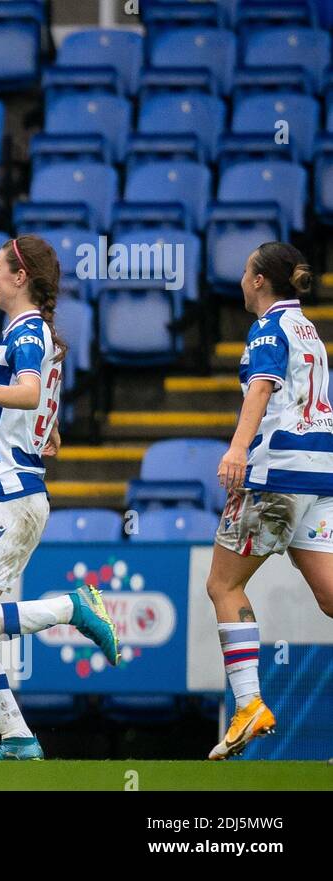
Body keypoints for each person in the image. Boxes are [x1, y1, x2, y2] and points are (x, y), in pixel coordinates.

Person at [0, 234, 119, 761]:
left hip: (8, 498)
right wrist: (46, 429)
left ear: (21, 278)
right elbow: (45, 412)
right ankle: (17, 737)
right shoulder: (30, 332)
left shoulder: (28, 332)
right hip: (9, 496)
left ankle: (74, 605)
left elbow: (32, 390)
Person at [206, 242, 333, 759]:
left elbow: (260, 388)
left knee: (222, 583)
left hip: (276, 475)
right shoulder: (310, 331)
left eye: (244, 271)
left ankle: (250, 704)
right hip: (320, 477)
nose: (239, 279)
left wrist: (238, 449)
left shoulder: (269, 328)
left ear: (260, 281)